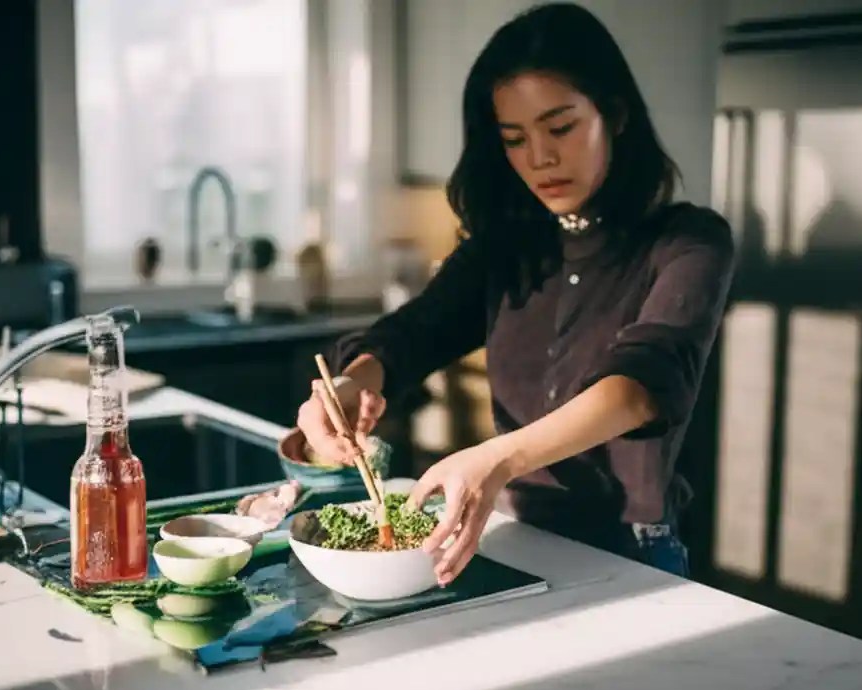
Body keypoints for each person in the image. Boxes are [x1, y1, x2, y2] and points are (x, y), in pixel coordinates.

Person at [296, 2, 734, 586]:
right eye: (514, 138)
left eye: (560, 128)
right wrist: (355, 384)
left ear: (615, 113)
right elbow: (415, 332)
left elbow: (641, 387)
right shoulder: (507, 247)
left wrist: (498, 458)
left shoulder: (688, 241)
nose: (541, 157)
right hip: (516, 541)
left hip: (630, 554)